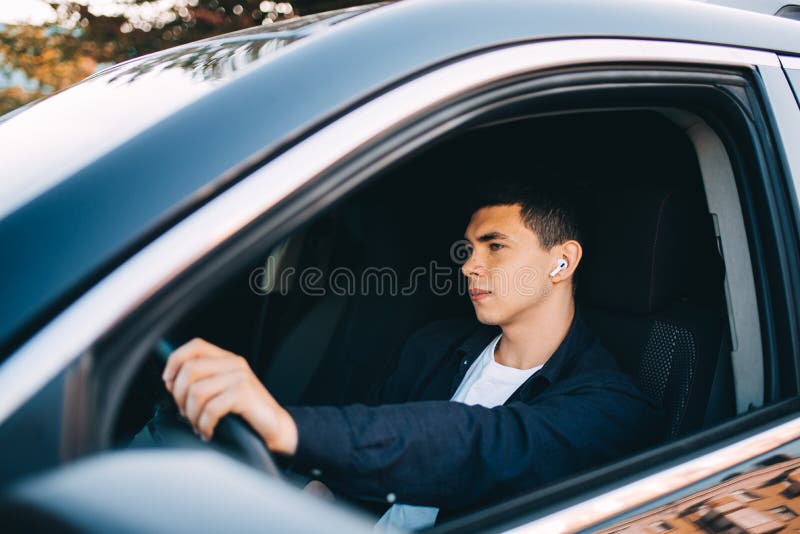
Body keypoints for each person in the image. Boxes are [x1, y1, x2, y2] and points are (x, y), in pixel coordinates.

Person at [161, 181, 664, 530]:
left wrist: (285, 426)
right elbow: (376, 441)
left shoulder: (611, 405)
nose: (470, 266)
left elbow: (473, 445)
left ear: (562, 261)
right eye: (468, 249)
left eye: (495, 247)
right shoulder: (435, 345)